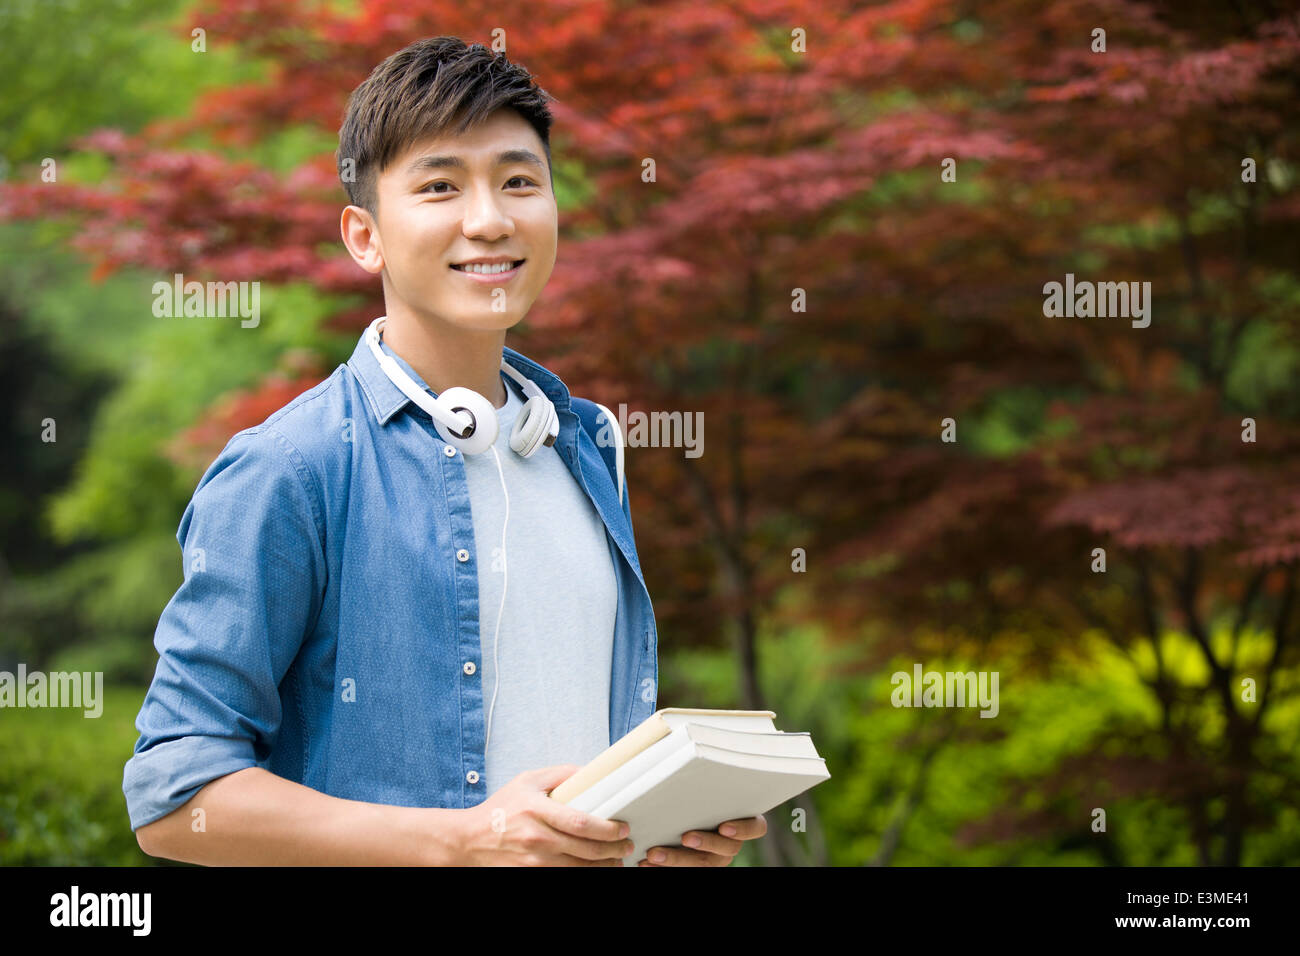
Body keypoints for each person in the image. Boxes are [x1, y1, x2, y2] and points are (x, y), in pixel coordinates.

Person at [124, 35, 766, 866]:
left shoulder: (587, 446)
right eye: (438, 186)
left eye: (518, 181)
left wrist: (645, 831)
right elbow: (176, 796)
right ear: (365, 236)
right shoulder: (288, 469)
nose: (490, 218)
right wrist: (464, 841)